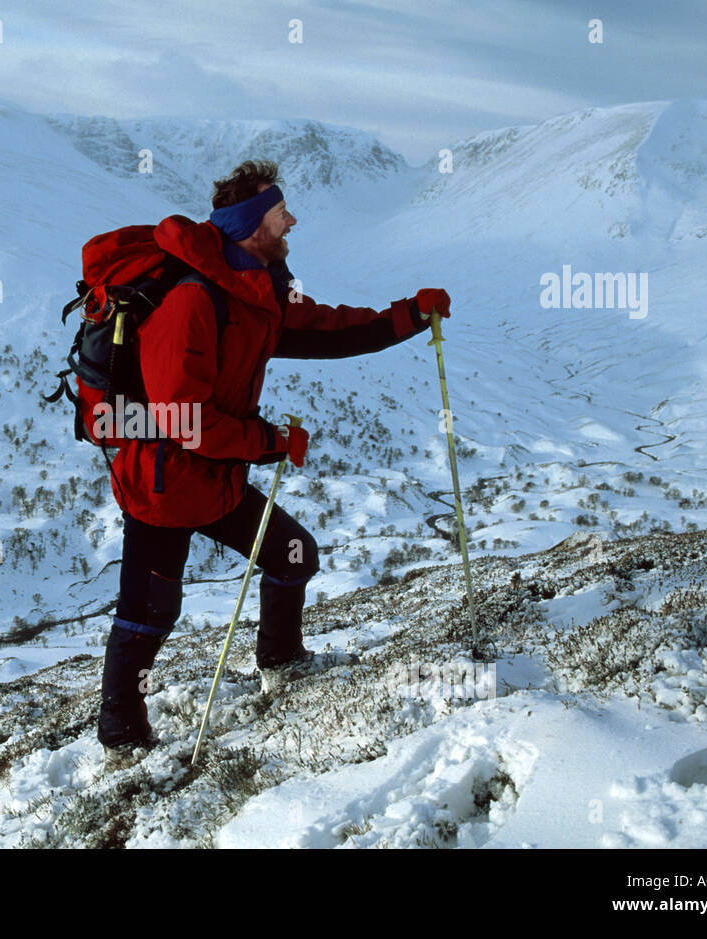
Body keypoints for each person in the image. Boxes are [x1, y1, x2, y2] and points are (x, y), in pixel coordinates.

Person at [98, 159, 452, 766]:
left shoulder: (255, 294)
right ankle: (121, 730)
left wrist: (409, 316)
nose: (292, 220)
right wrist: (267, 443)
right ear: (245, 225)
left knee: (294, 554)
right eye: (278, 211)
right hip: (162, 481)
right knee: (151, 611)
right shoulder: (193, 301)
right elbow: (184, 420)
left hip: (213, 478)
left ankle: (282, 664)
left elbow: (330, 330)